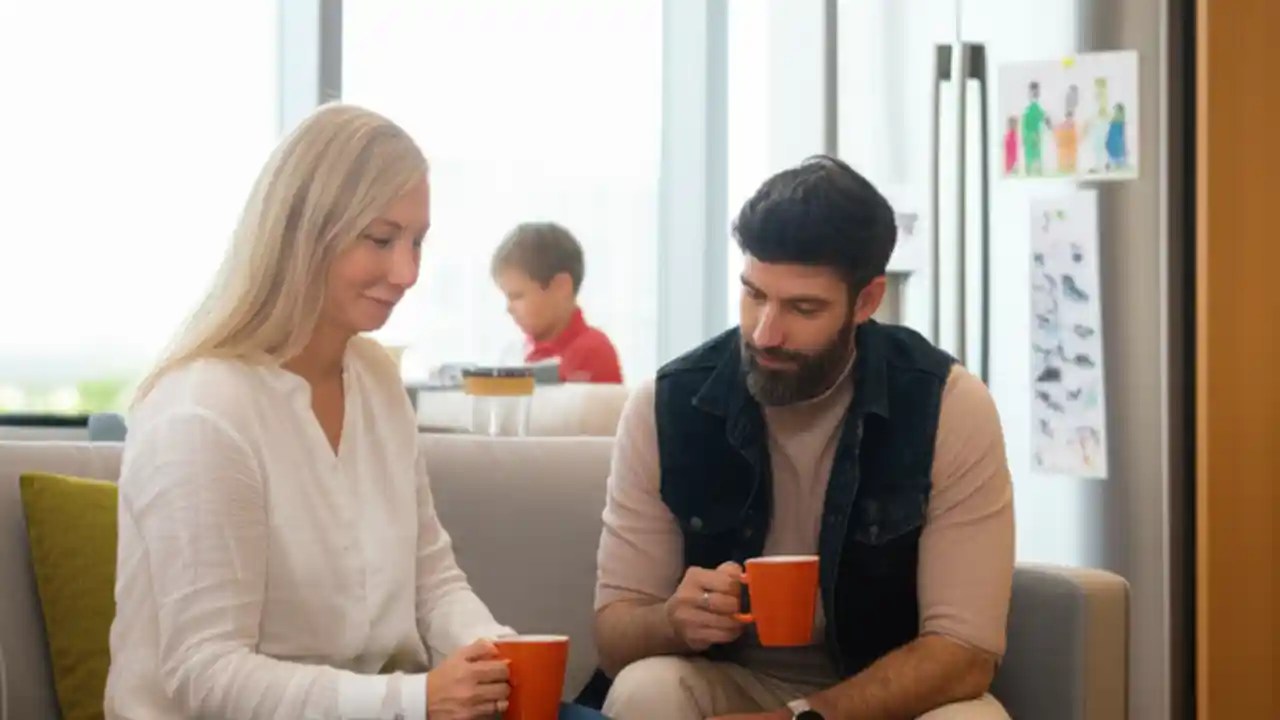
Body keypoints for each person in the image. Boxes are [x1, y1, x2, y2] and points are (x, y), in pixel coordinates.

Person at [105, 104, 595, 720]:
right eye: (381, 240)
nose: (407, 271)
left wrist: (498, 658)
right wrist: (414, 699)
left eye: (417, 241)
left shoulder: (376, 381)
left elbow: (433, 584)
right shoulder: (201, 412)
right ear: (304, 231)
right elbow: (205, 675)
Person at [590, 156, 1015, 719]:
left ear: (866, 302)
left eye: (803, 308)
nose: (766, 332)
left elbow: (964, 653)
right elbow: (615, 634)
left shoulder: (947, 405)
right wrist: (671, 619)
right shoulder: (668, 405)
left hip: (881, 692)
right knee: (647, 688)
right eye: (754, 294)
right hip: (729, 680)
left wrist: (803, 718)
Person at [491, 221, 623, 383]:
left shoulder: (593, 351)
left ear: (561, 287)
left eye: (517, 296)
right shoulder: (514, 355)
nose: (509, 309)